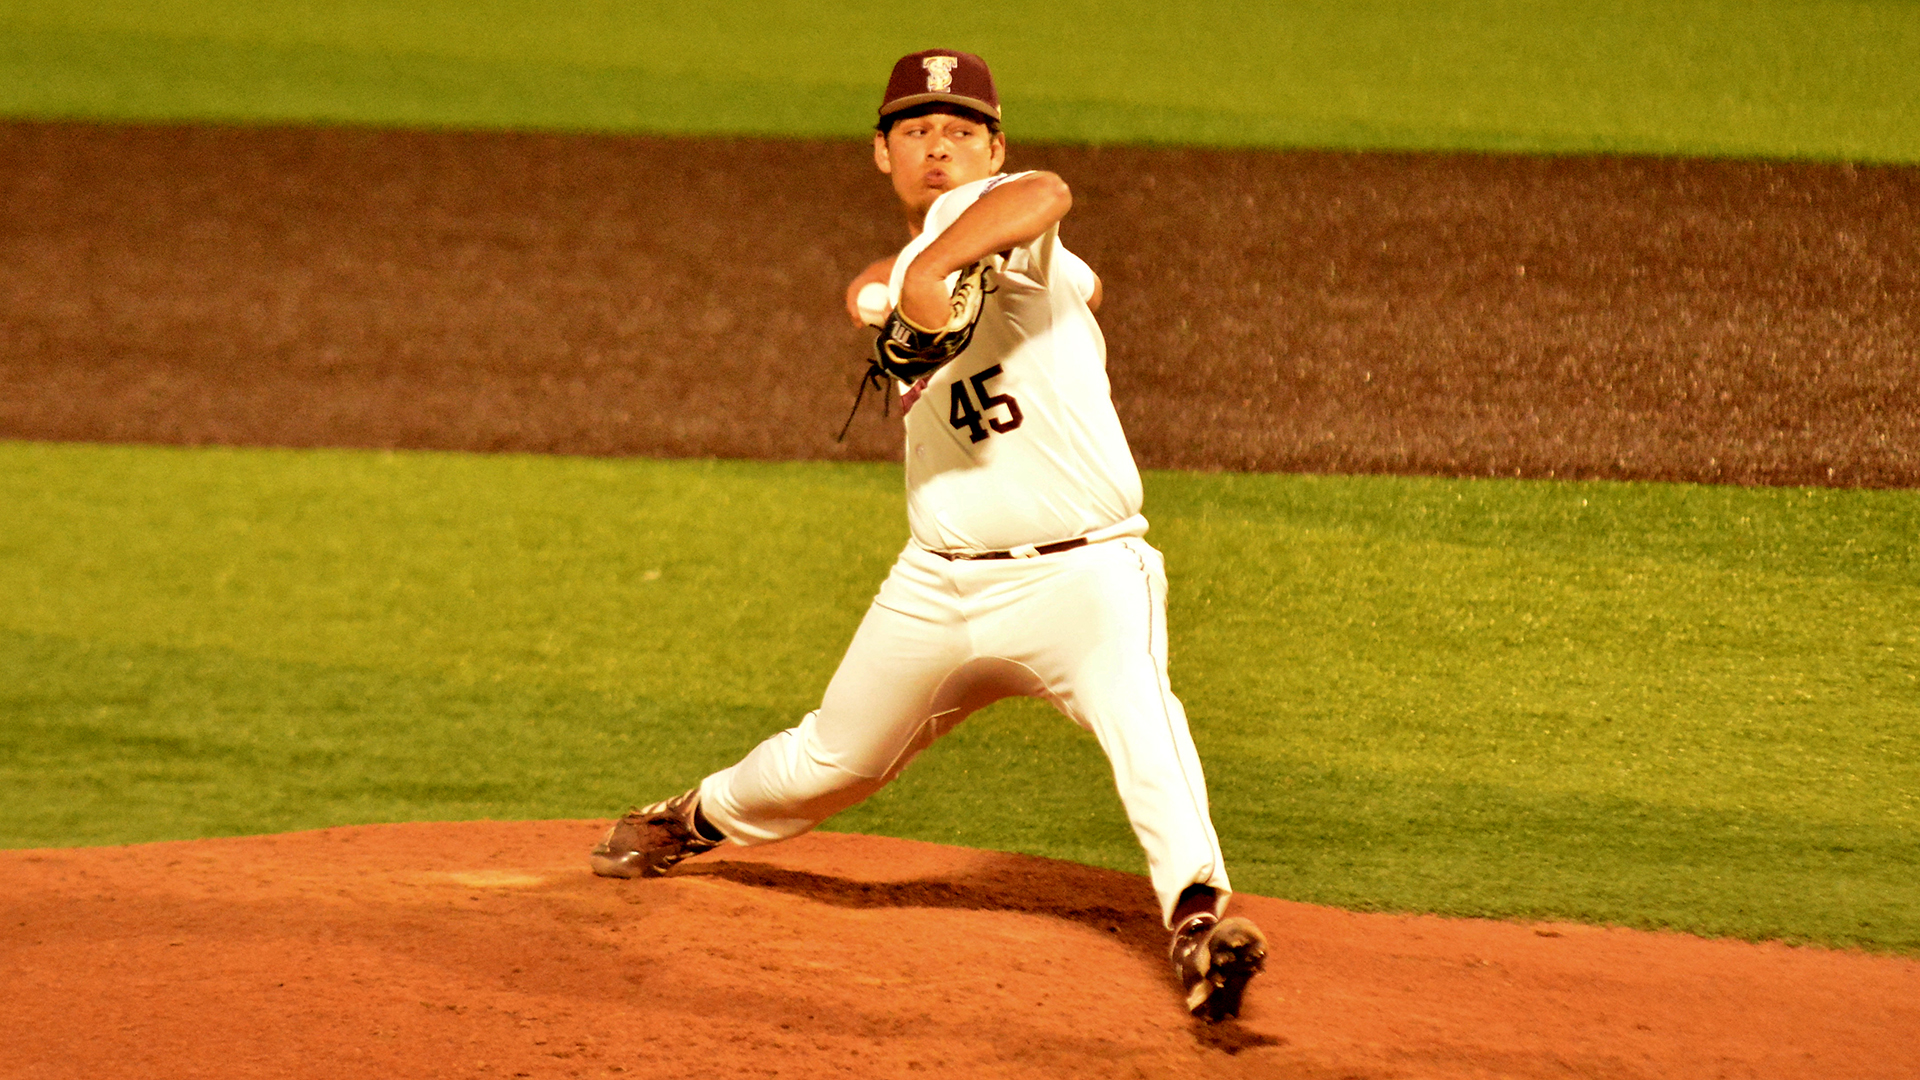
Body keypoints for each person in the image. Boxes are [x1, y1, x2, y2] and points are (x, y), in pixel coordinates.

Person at [590, 48, 1267, 1022]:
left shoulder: (1014, 225)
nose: (937, 146)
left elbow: (1047, 193)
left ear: (991, 146)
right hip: (938, 589)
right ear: (881, 152)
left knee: (1142, 719)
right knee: (834, 760)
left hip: (1086, 577)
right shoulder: (914, 265)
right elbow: (880, 288)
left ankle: (1201, 923)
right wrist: (911, 286)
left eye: (959, 130)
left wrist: (949, 267)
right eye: (916, 130)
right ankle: (692, 818)